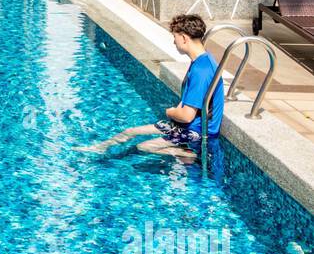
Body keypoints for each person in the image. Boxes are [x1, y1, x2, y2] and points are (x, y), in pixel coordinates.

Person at [86, 14, 224, 160]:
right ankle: (99, 148)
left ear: (184, 38)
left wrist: (170, 112)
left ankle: (190, 155)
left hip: (197, 131)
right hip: (190, 125)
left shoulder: (201, 71)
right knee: (130, 131)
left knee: (144, 147)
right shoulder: (203, 59)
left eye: (175, 37)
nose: (173, 42)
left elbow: (186, 116)